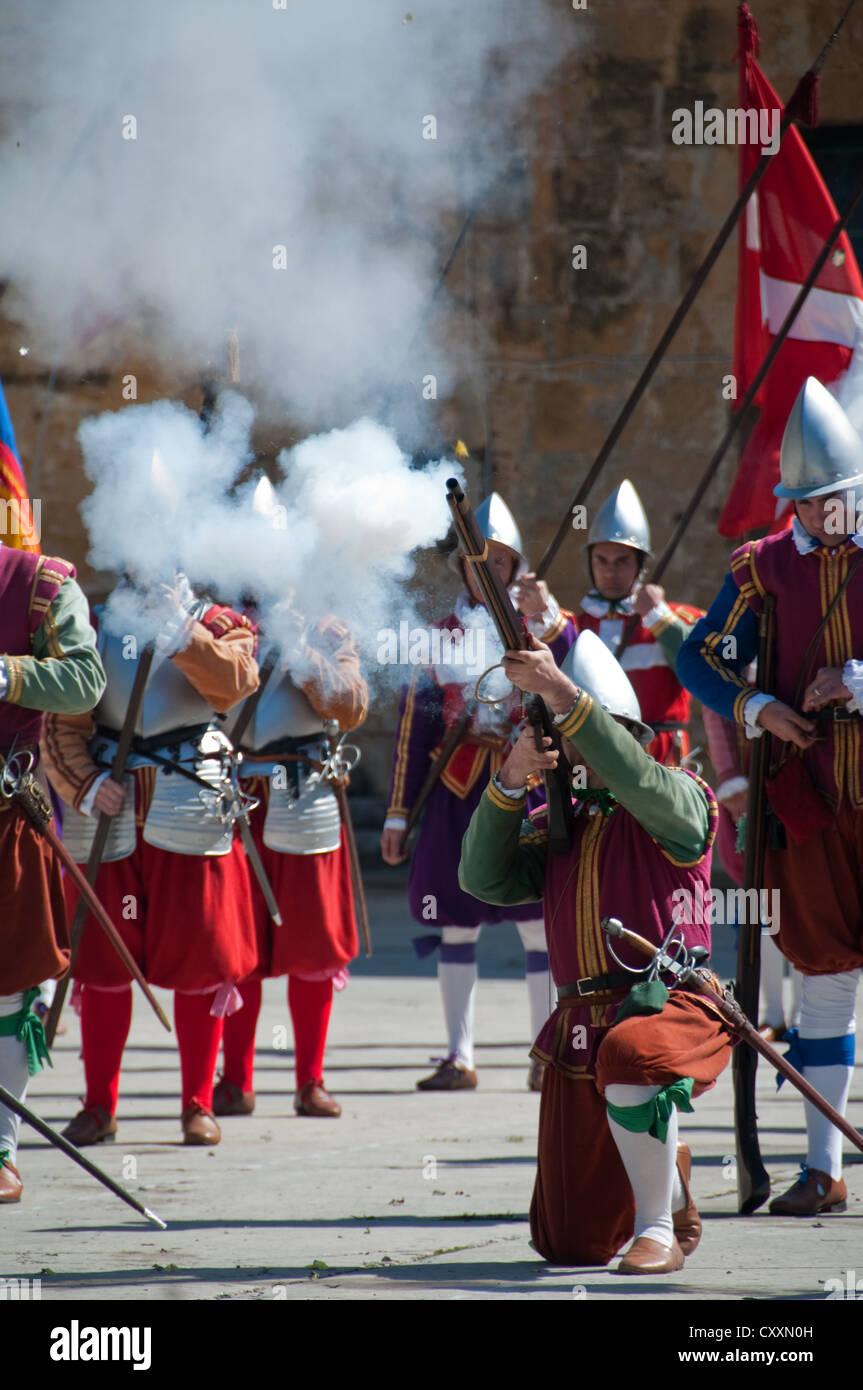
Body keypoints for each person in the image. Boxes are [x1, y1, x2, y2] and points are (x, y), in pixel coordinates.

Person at [459, 629, 733, 1271]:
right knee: (567, 1244)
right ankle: (669, 1168)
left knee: (631, 1050)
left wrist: (558, 690)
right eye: (563, 730)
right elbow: (481, 879)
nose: (574, 742)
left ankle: (659, 1228)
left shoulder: (679, 795)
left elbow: (635, 781)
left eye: (585, 727)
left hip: (668, 1006)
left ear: (626, 734)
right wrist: (510, 777)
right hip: (579, 1024)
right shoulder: (560, 821)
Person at [677, 375, 863, 1216]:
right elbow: (698, 659)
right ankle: (820, 1167)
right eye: (807, 501)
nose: (819, 514)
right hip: (811, 808)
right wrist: (756, 706)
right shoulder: (760, 566)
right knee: (822, 976)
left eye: (831, 499)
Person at [40, 574, 260, 1147]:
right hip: (109, 799)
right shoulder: (87, 622)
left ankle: (197, 1103)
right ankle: (99, 1106)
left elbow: (236, 684)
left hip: (191, 796)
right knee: (102, 963)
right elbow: (62, 718)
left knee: (201, 960)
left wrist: (182, 632)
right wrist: (84, 784)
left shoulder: (217, 620)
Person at [381, 492, 576, 1091]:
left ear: (514, 569)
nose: (488, 570)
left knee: (536, 928)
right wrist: (397, 813)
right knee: (454, 925)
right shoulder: (435, 636)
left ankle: (545, 1053)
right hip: (455, 792)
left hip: (528, 791)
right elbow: (416, 728)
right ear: (462, 567)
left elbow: (573, 679)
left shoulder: (540, 627)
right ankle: (458, 1056)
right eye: (477, 561)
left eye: (500, 561)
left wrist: (554, 624)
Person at [215, 604, 368, 1119]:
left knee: (317, 948)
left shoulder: (328, 627)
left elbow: (350, 707)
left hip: (302, 792)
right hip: (234, 791)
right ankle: (234, 1081)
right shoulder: (217, 622)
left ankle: (311, 1081)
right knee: (240, 946)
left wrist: (300, 650)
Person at [0, 544, 106, 1201]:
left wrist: (5, 674)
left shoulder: (40, 583)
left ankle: (1, 1148)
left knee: (8, 991)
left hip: (4, 821)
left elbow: (85, 681)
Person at [577, 479, 702, 765]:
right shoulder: (575, 626)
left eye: (622, 561)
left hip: (660, 758)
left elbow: (698, 670)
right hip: (596, 758)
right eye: (602, 560)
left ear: (639, 566)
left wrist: (659, 619)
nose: (610, 571)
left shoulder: (680, 617)